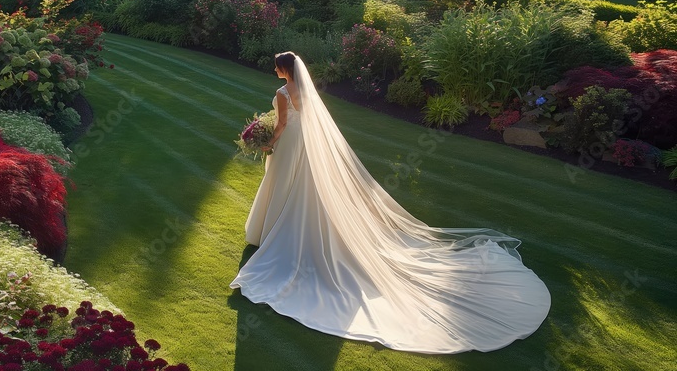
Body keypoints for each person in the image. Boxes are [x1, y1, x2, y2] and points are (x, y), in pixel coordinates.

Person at [230, 51, 551, 354]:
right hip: (307, 146)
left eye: (277, 67)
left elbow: (284, 123)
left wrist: (267, 142)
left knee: (285, 184)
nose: (275, 71)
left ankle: (278, 233)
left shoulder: (284, 93)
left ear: (285, 69)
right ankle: (299, 229)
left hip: (290, 144)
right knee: (303, 186)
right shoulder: (307, 90)